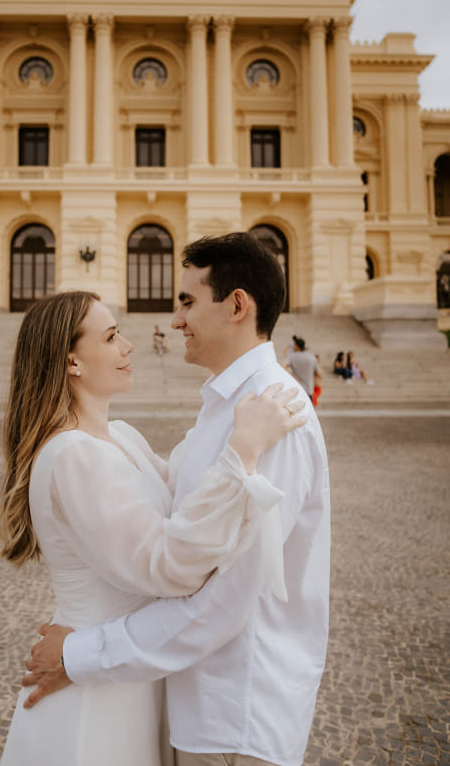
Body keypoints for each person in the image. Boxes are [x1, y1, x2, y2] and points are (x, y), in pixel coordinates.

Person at [22, 233, 330, 766]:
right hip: (186, 704)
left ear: (237, 305)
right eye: (113, 335)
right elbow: (174, 528)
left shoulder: (273, 411)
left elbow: (226, 600)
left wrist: (78, 654)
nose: (173, 320)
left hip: (235, 715)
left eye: (187, 301)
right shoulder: (224, 409)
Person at [285, 335, 322, 401]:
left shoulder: (292, 356)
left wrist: (292, 376)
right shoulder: (311, 356)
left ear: (296, 345)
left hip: (297, 389)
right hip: (309, 390)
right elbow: (319, 374)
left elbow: (283, 367)